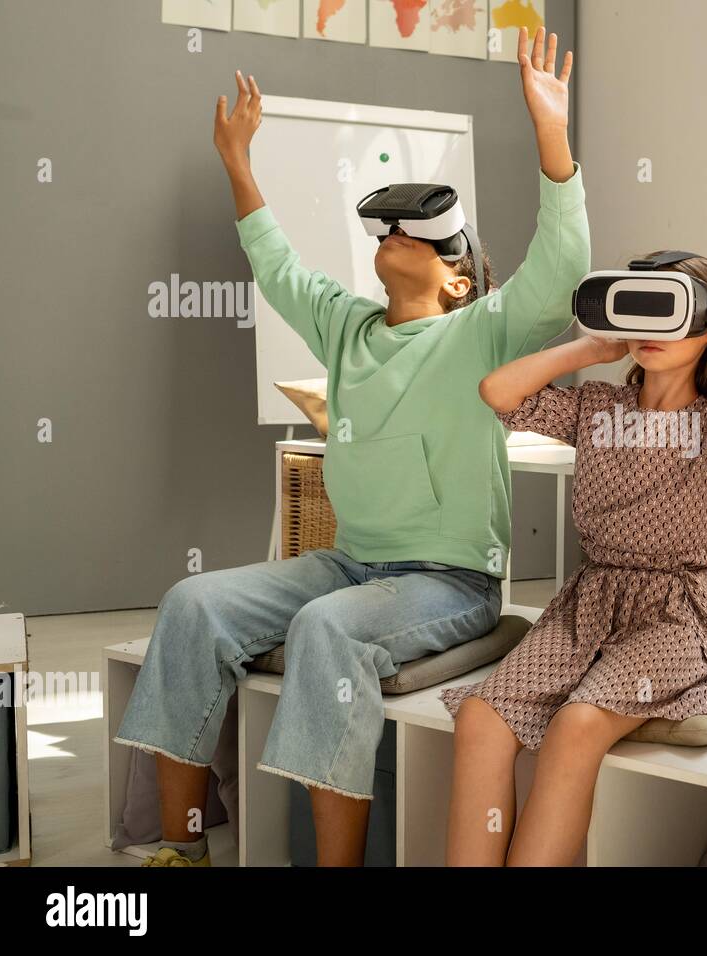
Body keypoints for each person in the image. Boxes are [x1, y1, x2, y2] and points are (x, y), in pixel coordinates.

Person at [114, 27, 589, 867]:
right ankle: (179, 850)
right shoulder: (347, 329)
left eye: (421, 235)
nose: (394, 236)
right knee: (191, 604)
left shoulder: (484, 332)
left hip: (448, 582)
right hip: (350, 563)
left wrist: (552, 137)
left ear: (458, 277)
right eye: (386, 230)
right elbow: (278, 266)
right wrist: (239, 162)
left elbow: (560, 268)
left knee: (327, 633)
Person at [441, 254, 707, 866]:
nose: (653, 331)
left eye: (673, 313)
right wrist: (587, 351)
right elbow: (497, 392)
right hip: (589, 602)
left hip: (677, 617)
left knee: (578, 725)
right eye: (643, 311)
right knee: (481, 715)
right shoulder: (598, 406)